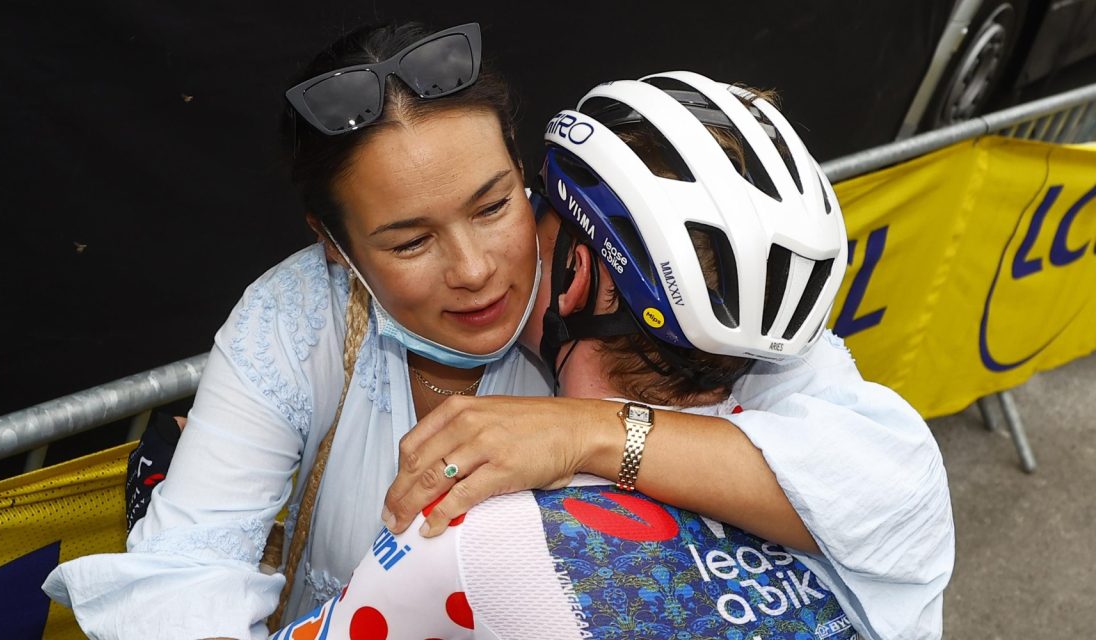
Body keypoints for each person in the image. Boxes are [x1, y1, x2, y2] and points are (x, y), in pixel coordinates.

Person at [43, 21, 952, 640]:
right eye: (408, 240)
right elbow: (180, 576)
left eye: (492, 205)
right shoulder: (298, 320)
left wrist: (591, 432)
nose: (474, 269)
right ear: (335, 246)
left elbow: (890, 488)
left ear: (531, 177)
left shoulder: (666, 277)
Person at [271, 70, 870, 640]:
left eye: (516, 210)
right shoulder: (864, 484)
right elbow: (897, 479)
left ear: (575, 275)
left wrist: (581, 434)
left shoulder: (462, 536)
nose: (480, 267)